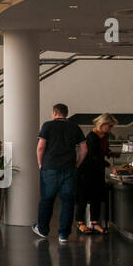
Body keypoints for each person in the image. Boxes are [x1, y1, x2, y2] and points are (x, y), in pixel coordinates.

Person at [33, 103, 88, 243]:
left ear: (54, 113)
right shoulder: (74, 127)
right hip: (69, 168)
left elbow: (40, 147)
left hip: (50, 168)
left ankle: (43, 230)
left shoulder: (47, 125)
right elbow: (84, 149)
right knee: (68, 201)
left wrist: (40, 163)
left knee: (47, 199)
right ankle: (63, 235)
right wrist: (77, 164)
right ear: (66, 113)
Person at [76, 114, 115, 235]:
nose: (111, 128)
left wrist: (110, 153)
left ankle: (94, 223)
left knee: (96, 197)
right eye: (110, 126)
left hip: (98, 171)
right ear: (102, 124)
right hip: (86, 171)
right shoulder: (91, 137)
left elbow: (103, 150)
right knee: (83, 197)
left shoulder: (105, 136)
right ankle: (80, 223)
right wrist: (110, 166)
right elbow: (94, 156)